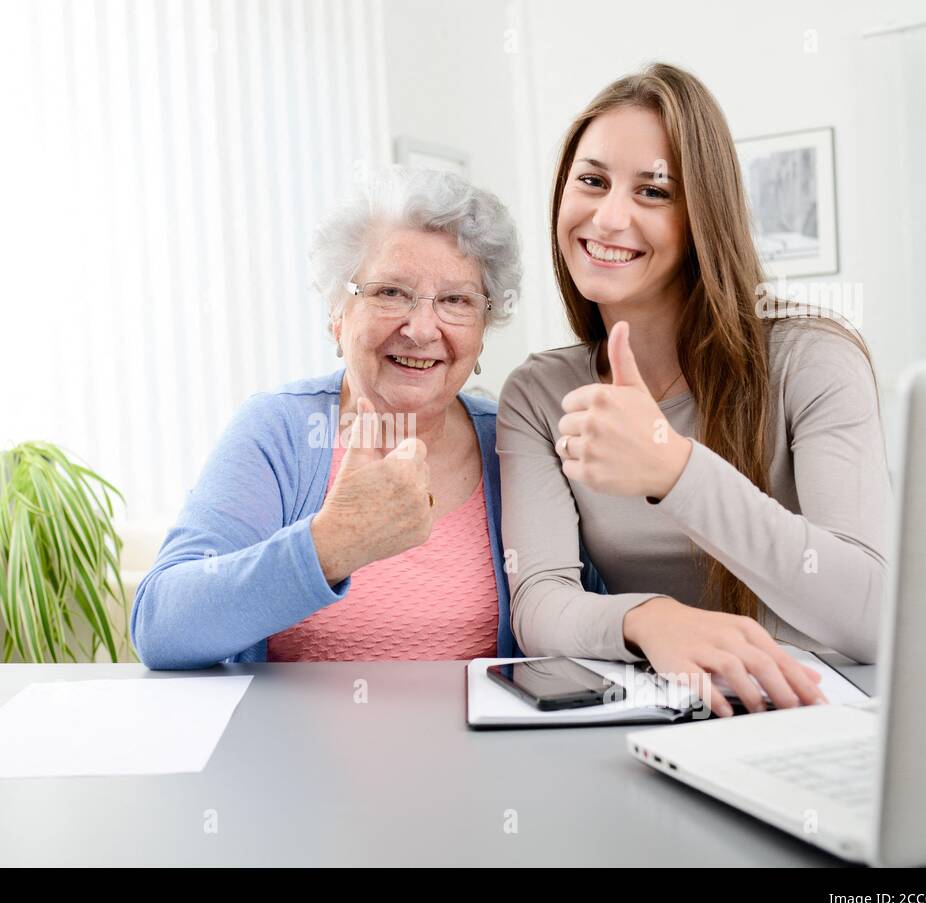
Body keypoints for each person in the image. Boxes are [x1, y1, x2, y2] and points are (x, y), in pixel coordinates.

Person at [497, 63, 890, 717]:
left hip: (814, 712)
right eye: (591, 181)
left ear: (703, 215)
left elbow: (872, 614)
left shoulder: (814, 359)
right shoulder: (540, 393)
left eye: (653, 192)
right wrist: (649, 620)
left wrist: (674, 469)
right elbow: (540, 601)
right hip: (655, 715)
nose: (609, 215)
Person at [133, 166, 603, 668]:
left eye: (456, 301)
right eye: (390, 292)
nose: (422, 329)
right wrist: (330, 546)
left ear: (483, 329)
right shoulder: (280, 431)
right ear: (338, 313)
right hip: (297, 748)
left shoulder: (513, 440)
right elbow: (161, 625)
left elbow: (587, 611)